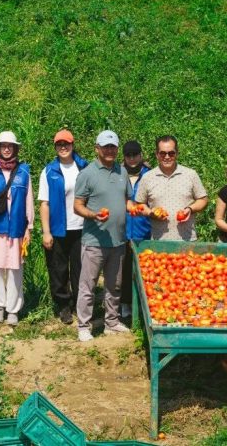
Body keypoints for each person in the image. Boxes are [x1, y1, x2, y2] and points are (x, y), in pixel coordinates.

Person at [73, 130, 136, 342]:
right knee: (88, 286)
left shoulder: (122, 171)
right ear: (97, 148)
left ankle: (112, 321)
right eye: (105, 146)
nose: (110, 150)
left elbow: (127, 200)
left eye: (113, 147)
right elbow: (77, 205)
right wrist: (93, 215)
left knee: (114, 285)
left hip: (118, 240)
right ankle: (84, 326)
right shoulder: (87, 174)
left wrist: (135, 208)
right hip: (94, 241)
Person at [0, 131, 34, 327]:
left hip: (17, 228)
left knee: (14, 269)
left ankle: (13, 309)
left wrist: (29, 227)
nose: (7, 149)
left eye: (10, 146)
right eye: (3, 146)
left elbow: (28, 200)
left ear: (15, 149)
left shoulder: (24, 171)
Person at [38, 129, 88, 325]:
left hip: (81, 227)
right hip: (58, 227)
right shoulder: (49, 171)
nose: (63, 147)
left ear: (73, 145)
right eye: (59, 144)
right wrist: (46, 231)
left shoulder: (84, 167)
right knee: (58, 270)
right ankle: (63, 305)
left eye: (66, 143)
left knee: (80, 270)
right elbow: (44, 203)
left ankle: (81, 304)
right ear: (55, 147)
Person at [135, 135, 208, 241]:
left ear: (177, 153)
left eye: (171, 153)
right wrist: (151, 213)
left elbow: (203, 199)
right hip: (159, 241)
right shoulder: (147, 177)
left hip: (187, 240)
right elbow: (140, 204)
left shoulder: (190, 174)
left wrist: (190, 209)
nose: (167, 157)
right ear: (157, 154)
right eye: (162, 153)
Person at [120, 140, 151, 320]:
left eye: (135, 155)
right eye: (128, 155)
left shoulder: (150, 174)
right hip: (122, 230)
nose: (132, 159)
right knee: (123, 270)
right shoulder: (118, 173)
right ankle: (125, 303)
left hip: (144, 229)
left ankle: (143, 303)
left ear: (141, 155)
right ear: (124, 157)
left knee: (144, 270)